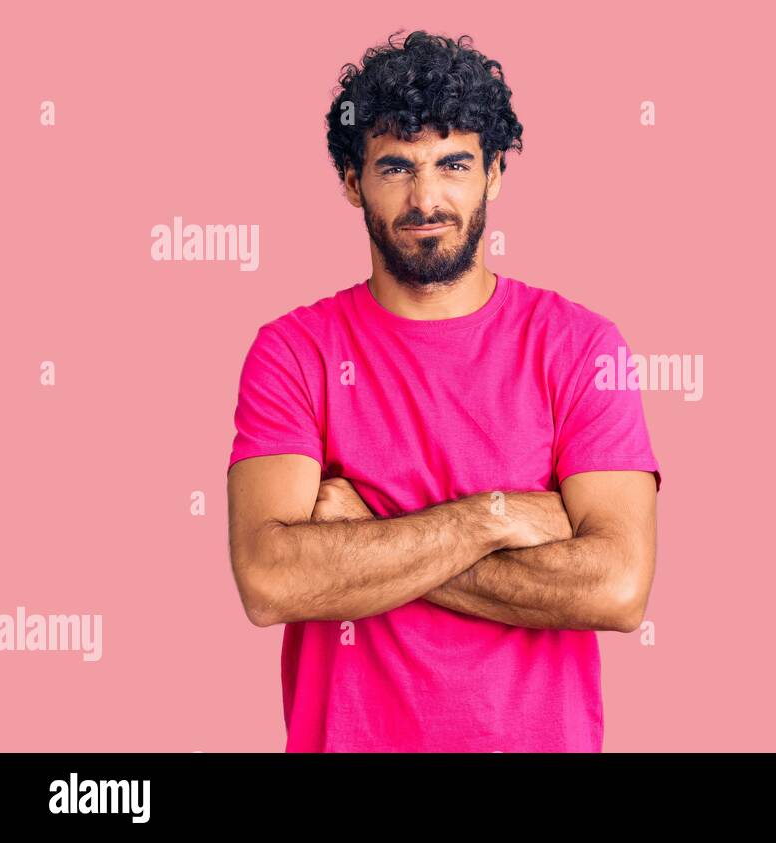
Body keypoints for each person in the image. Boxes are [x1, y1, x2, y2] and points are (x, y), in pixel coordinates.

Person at [225, 31, 661, 752]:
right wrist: (497, 518)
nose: (426, 198)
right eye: (395, 166)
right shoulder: (294, 352)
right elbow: (270, 580)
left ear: (493, 174)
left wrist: (366, 533)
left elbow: (616, 589)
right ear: (350, 181)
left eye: (453, 164)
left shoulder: (582, 347)